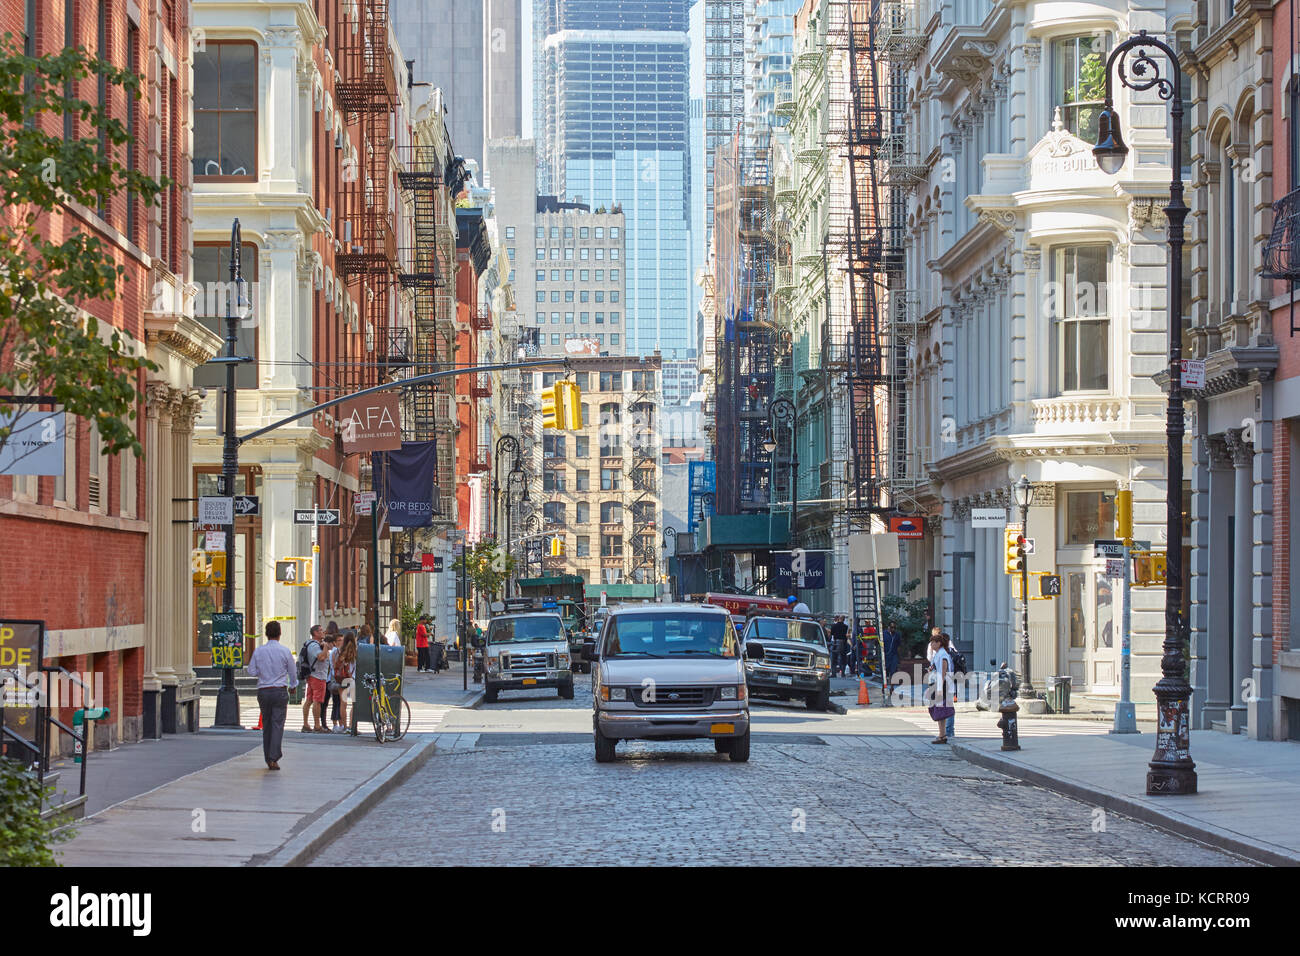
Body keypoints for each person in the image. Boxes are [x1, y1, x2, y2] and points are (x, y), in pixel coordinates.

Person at [245, 620, 298, 769]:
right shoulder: (285, 651)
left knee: (267, 724)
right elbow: (292, 672)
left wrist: (263, 673)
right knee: (277, 724)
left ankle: (268, 756)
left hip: (264, 690)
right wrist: (293, 686)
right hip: (279, 690)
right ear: (280, 634)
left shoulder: (259, 651)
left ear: (267, 634)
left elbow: (251, 671)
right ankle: (274, 757)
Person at [300, 625, 331, 733]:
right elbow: (321, 657)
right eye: (321, 631)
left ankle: (306, 724)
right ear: (316, 633)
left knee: (309, 700)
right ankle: (317, 725)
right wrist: (326, 647)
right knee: (317, 701)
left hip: (314, 675)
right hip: (318, 676)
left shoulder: (314, 644)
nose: (323, 632)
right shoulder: (313, 646)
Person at [927, 632, 955, 744]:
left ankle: (943, 734)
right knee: (939, 709)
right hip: (937, 683)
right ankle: (942, 734)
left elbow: (943, 672)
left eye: (933, 642)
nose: (931, 645)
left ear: (939, 643)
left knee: (940, 709)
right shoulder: (938, 654)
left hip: (942, 685)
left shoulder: (943, 655)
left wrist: (939, 689)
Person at [332, 631, 358, 733]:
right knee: (354, 704)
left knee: (343, 703)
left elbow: (334, 665)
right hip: (352, 679)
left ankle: (344, 726)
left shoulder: (338, 651)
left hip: (342, 679)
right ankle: (352, 726)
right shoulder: (356, 652)